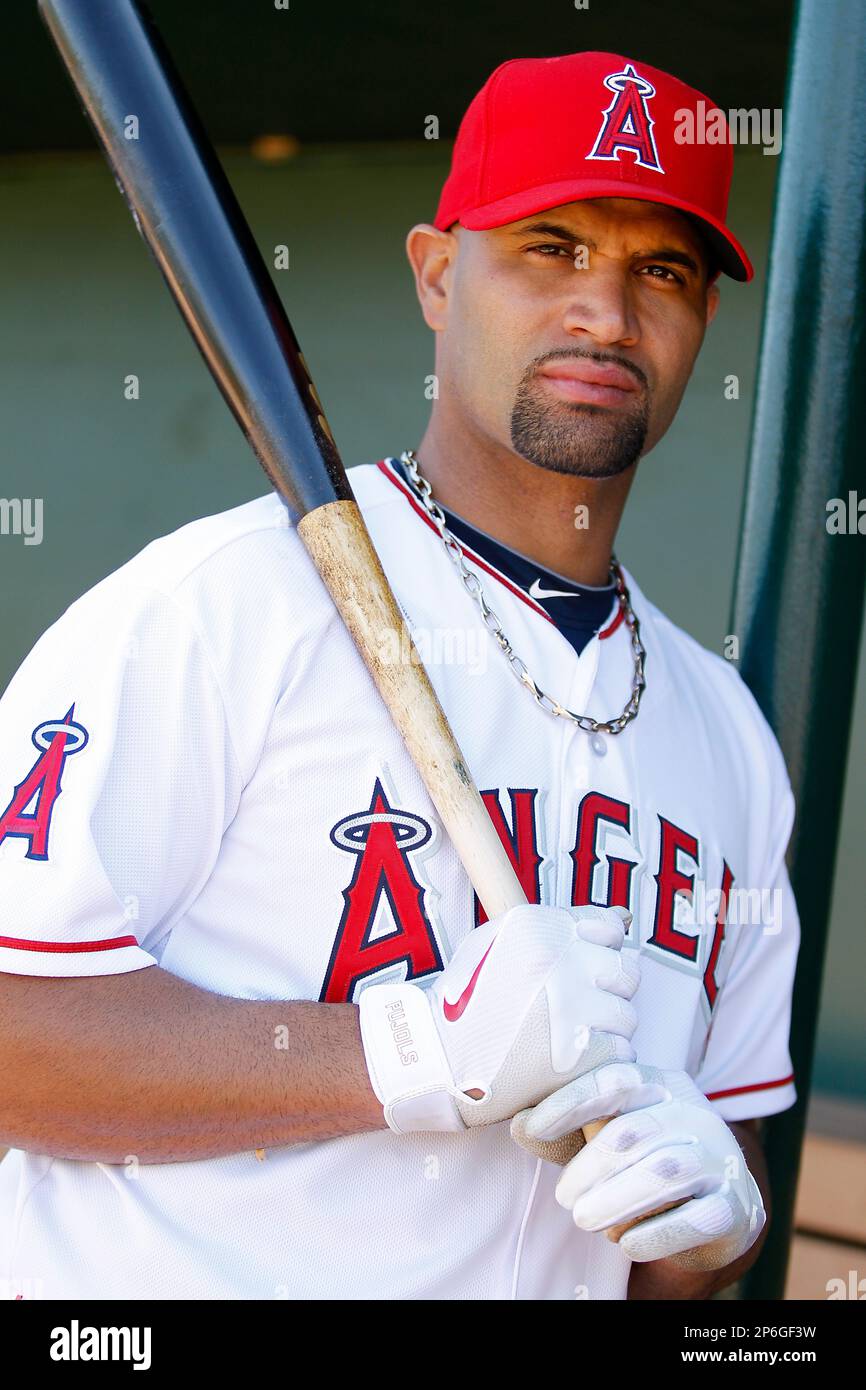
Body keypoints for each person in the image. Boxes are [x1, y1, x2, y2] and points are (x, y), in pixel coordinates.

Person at [0, 50, 799, 1301]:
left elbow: (694, 1220)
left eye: (661, 271)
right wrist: (414, 1050)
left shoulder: (726, 739)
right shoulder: (223, 605)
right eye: (550, 248)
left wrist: (711, 1229)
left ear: (702, 318)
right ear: (437, 274)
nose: (604, 313)